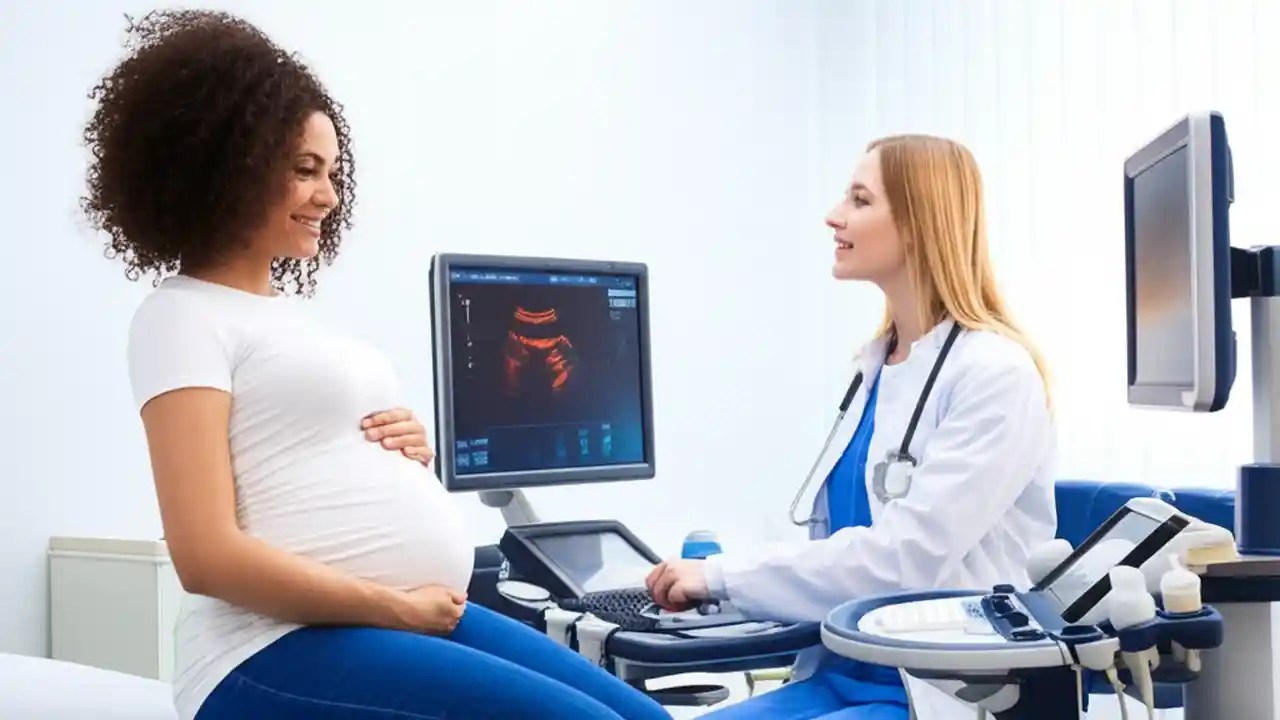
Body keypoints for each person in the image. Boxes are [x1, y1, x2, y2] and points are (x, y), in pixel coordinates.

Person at [81, 10, 670, 720]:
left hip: (399, 617)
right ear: (226, 166)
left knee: (645, 717)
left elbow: (297, 451)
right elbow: (205, 554)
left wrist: (405, 452)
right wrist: (396, 606)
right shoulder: (179, 317)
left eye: (332, 173)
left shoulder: (286, 319)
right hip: (265, 649)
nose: (329, 196)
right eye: (304, 171)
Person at [646, 135, 1057, 720]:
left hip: (938, 692)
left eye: (860, 200)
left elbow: (903, 562)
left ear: (918, 223)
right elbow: (840, 549)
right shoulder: (874, 367)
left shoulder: (995, 375)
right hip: (839, 673)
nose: (834, 216)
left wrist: (719, 577)